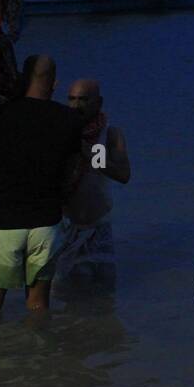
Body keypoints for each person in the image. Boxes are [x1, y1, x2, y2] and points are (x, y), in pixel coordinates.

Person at [0, 54, 85, 319]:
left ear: (21, 78)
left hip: (4, 222)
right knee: (38, 306)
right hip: (47, 223)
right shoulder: (71, 119)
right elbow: (73, 169)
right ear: (54, 84)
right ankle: (39, 358)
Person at [57, 78, 131, 284]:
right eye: (71, 99)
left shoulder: (110, 133)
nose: (76, 105)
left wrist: (91, 154)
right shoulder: (60, 131)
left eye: (83, 99)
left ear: (98, 102)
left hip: (99, 227)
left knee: (105, 294)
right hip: (66, 227)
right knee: (67, 293)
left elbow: (123, 175)